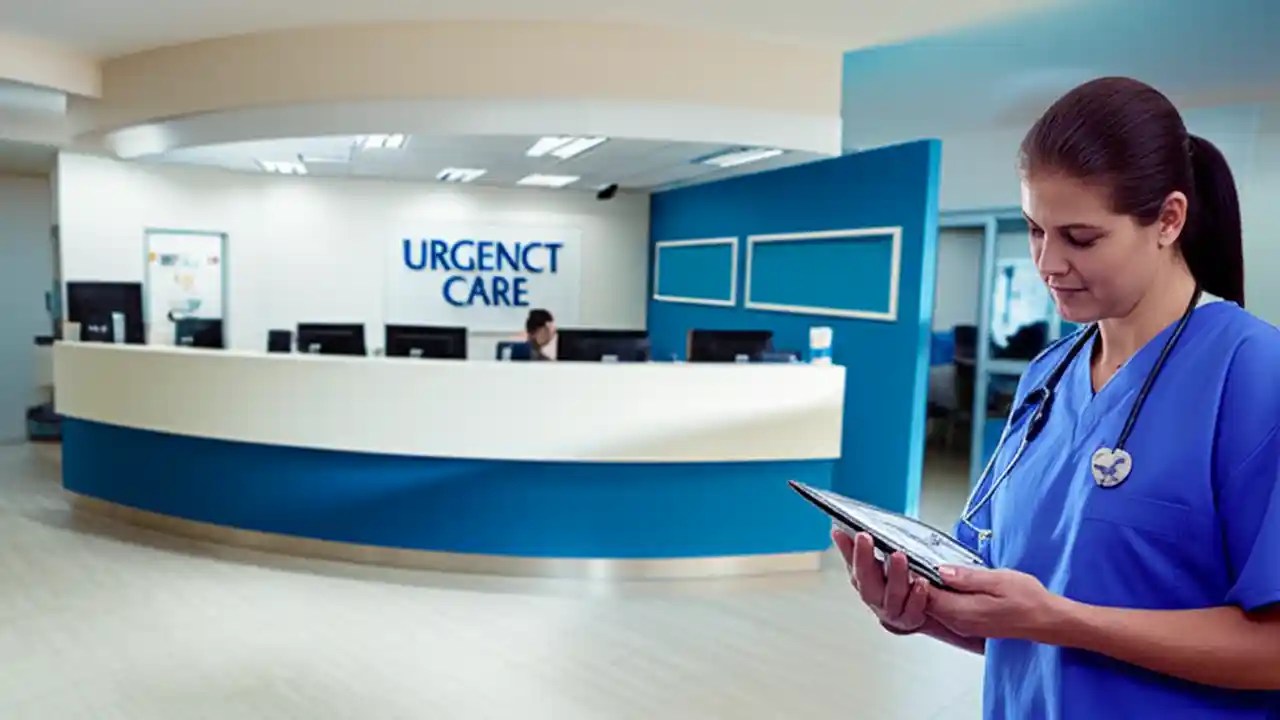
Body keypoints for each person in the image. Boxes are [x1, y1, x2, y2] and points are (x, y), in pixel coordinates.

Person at [837, 76, 1280, 718]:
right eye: (1034, 230)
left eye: (1080, 238)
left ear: (1169, 220)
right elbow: (1014, 617)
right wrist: (923, 611)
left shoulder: (1254, 373)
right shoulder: (1047, 377)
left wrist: (1064, 621)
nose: (1047, 263)